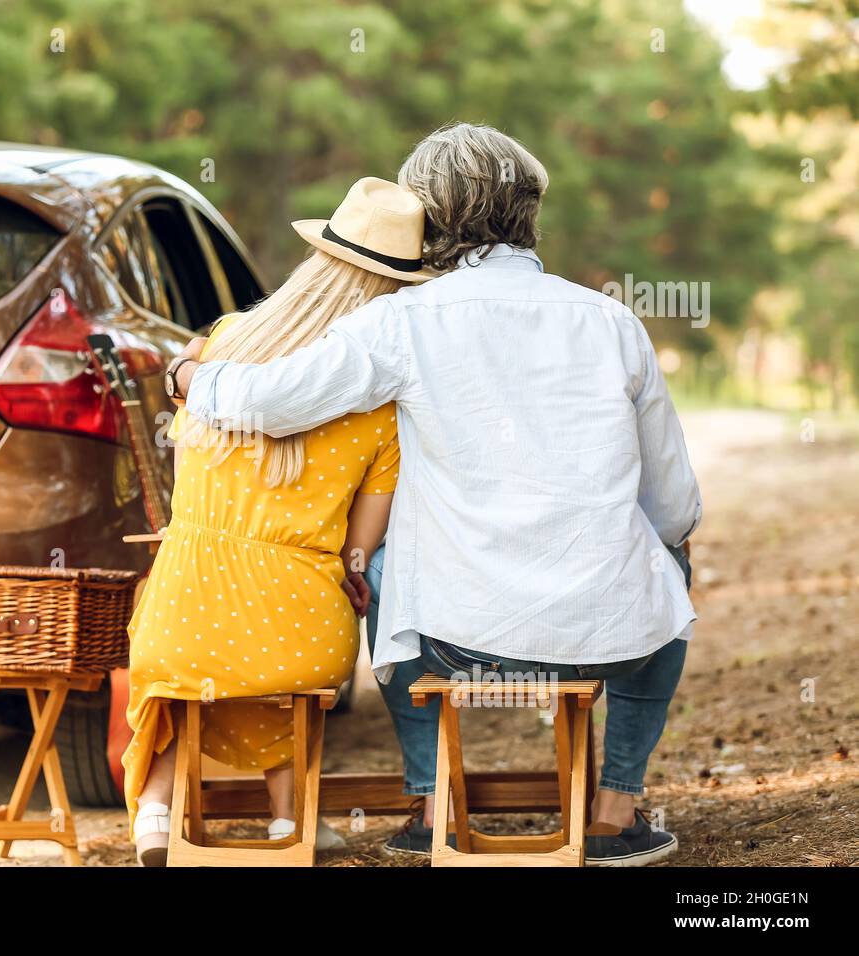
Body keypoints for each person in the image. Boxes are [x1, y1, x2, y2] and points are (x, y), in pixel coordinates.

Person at [169, 123, 702, 867]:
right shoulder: (612, 321)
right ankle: (617, 810)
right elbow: (674, 504)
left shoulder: (398, 322)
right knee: (669, 567)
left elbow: (273, 399)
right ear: (530, 212)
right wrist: (659, 549)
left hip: (460, 643)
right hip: (608, 643)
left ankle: (429, 806)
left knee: (378, 570)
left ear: (432, 218)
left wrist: (189, 376)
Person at [124, 178, 434, 866]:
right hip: (301, 631)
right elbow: (365, 536)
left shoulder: (224, 344)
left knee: (185, 657)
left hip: (186, 615)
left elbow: (186, 472)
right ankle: (292, 817)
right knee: (287, 653)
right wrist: (353, 572)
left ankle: (154, 811)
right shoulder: (380, 403)